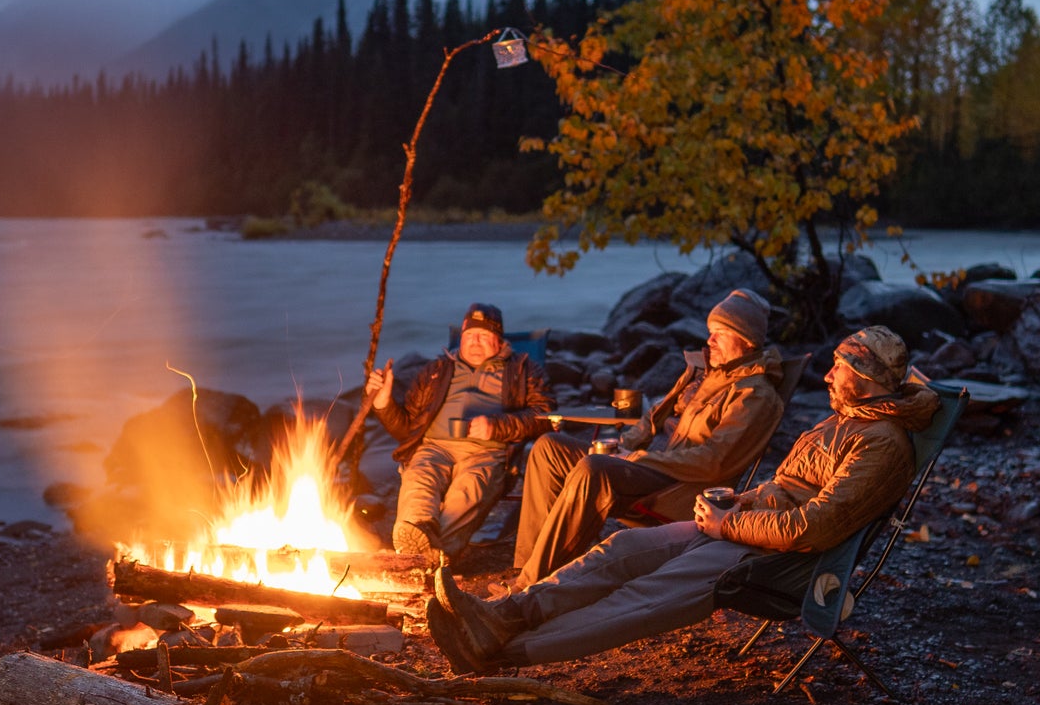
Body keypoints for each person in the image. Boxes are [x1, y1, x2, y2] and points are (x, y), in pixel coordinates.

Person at [425, 325, 938, 673]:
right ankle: (504, 613)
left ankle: (498, 653)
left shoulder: (881, 444)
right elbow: (787, 488)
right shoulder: (850, 419)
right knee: (618, 552)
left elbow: (814, 527)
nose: (828, 376)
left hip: (774, 561)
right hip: (746, 529)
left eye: (839, 368)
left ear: (866, 377)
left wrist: (726, 527)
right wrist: (739, 501)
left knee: (641, 598)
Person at [513, 288, 784, 586]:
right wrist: (625, 444)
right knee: (550, 447)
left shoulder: (754, 394)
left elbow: (715, 463)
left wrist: (634, 458)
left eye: (719, 333)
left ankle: (533, 586)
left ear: (746, 340)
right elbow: (653, 417)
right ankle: (529, 569)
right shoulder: (705, 374)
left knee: (595, 470)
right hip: (650, 467)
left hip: (680, 487)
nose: (709, 341)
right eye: (710, 332)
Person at [366, 302, 556, 555]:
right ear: (461, 338)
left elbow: (545, 415)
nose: (475, 342)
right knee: (418, 482)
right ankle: (422, 547)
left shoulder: (522, 370)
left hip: (487, 453)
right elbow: (406, 432)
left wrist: (496, 427)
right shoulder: (437, 370)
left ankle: (421, 557)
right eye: (469, 336)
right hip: (433, 448)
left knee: (467, 491)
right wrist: (383, 401)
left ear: (499, 341)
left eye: (484, 336)